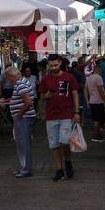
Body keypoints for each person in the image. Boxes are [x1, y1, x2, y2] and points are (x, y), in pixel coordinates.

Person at [38, 53, 80, 181]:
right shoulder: (45, 79)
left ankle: (67, 161)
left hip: (66, 114)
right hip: (51, 116)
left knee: (65, 141)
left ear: (60, 63)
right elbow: (41, 97)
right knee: (54, 144)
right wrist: (47, 96)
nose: (53, 67)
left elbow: (75, 94)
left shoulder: (69, 77)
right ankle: (59, 170)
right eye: (51, 66)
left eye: (55, 65)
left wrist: (77, 112)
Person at [4, 65, 36, 178]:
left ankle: (26, 169)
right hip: (23, 118)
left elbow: (28, 101)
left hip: (24, 118)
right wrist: (11, 100)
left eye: (9, 78)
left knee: (23, 144)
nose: (8, 80)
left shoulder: (20, 84)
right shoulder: (22, 83)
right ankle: (24, 167)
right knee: (21, 144)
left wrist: (19, 115)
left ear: (13, 76)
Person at [84, 60, 105, 142]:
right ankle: (95, 136)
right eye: (101, 70)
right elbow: (100, 90)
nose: (101, 72)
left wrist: (87, 100)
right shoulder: (98, 77)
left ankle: (98, 135)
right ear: (98, 70)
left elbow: (85, 90)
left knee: (96, 119)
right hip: (98, 101)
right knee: (98, 120)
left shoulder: (89, 78)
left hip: (92, 101)